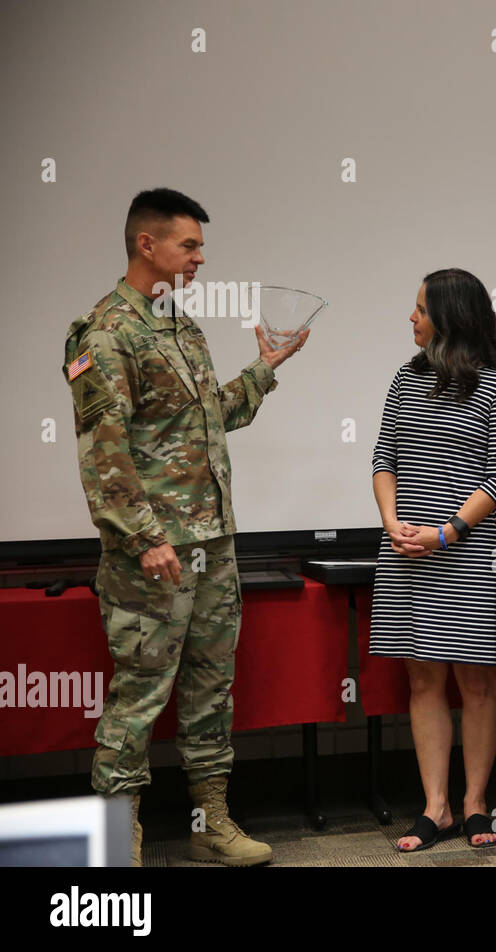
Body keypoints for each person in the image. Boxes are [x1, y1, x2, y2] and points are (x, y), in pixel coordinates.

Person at [63, 187, 307, 867]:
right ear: (148, 244)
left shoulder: (180, 326)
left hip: (211, 548)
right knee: (140, 695)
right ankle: (114, 843)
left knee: (208, 687)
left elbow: (204, 420)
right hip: (154, 553)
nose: (201, 257)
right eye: (190, 245)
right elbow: (103, 452)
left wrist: (263, 372)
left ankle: (210, 823)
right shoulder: (106, 332)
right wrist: (145, 539)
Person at [371, 268, 496, 851]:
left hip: (467, 551)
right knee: (421, 677)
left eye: (420, 309)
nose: (410, 318)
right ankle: (435, 809)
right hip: (407, 550)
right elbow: (383, 458)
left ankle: (475, 805)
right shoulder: (404, 379)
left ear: (452, 317)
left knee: (475, 680)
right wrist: (393, 525)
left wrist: (448, 531)